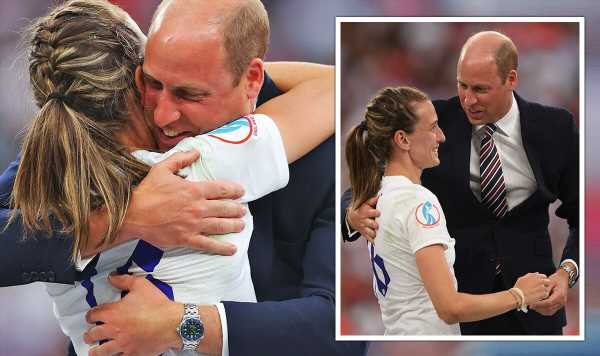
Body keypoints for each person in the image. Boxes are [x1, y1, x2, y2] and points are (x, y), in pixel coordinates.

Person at [1, 1, 367, 355]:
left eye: (188, 92)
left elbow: (335, 334)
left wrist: (182, 325)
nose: (162, 115)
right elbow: (331, 85)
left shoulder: (56, 173)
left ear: (251, 78)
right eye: (152, 83)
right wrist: (124, 220)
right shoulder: (208, 159)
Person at [343, 31, 579, 335]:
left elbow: (578, 214)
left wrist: (566, 273)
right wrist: (349, 213)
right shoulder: (428, 122)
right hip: (459, 313)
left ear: (511, 79)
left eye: (480, 89)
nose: (468, 99)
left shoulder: (554, 127)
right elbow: (368, 172)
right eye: (462, 85)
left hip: (534, 312)